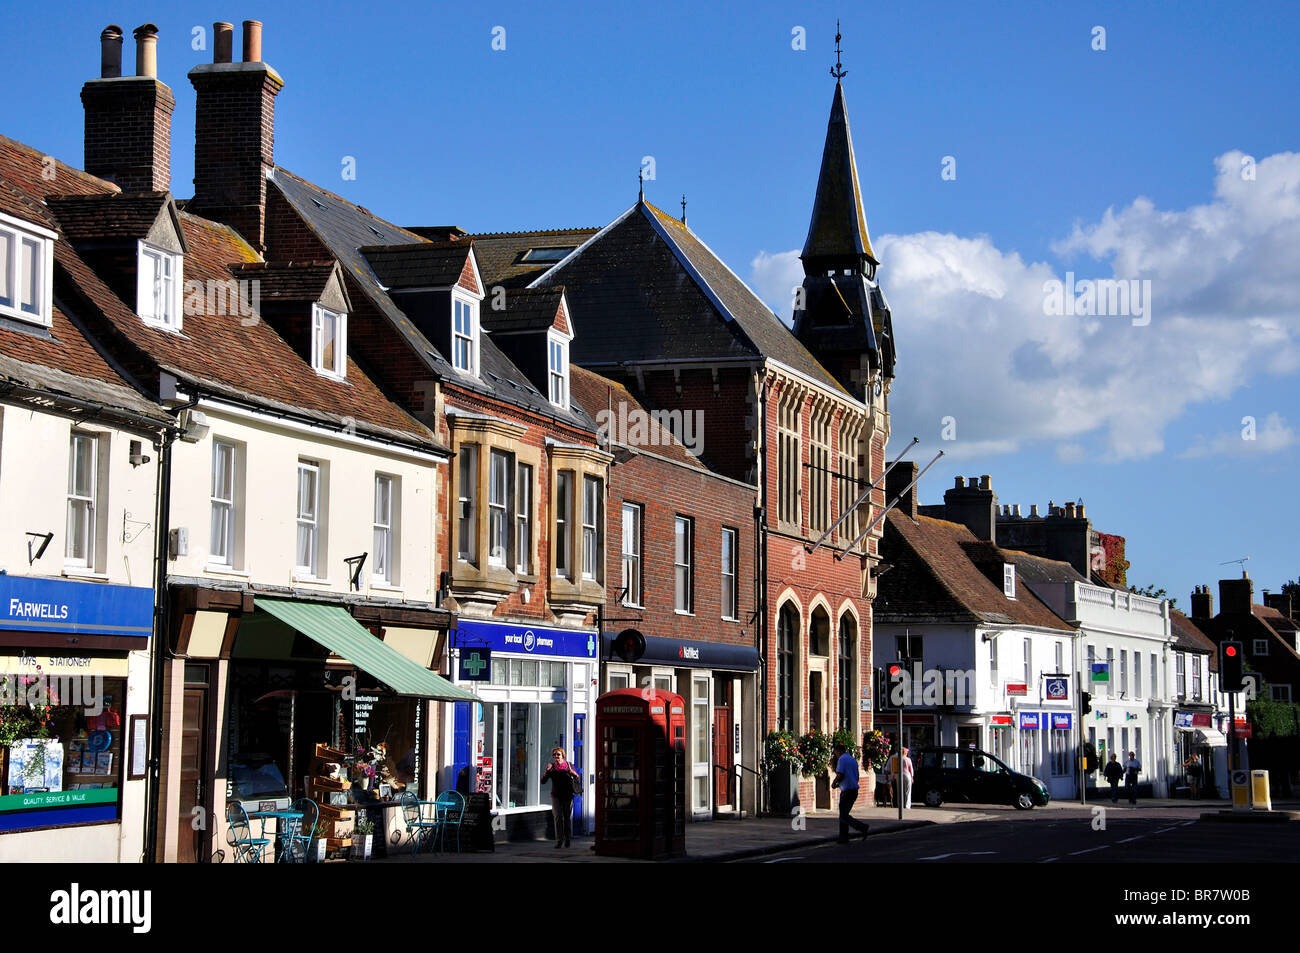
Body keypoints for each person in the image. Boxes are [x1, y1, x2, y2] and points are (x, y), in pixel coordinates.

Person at [541, 746, 580, 848]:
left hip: (568, 795)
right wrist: (547, 771)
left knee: (566, 818)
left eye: (558, 754)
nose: (556, 756)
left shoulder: (569, 765)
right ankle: (559, 840)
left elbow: (577, 777)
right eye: (554, 754)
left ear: (563, 755)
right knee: (558, 817)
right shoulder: (552, 767)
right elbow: (543, 781)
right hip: (556, 795)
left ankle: (567, 839)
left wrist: (573, 773)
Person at [831, 743, 871, 843]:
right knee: (844, 814)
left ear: (838, 751)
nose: (835, 754)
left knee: (843, 815)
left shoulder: (842, 759)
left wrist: (834, 782)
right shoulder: (852, 760)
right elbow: (856, 777)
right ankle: (843, 837)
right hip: (854, 790)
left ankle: (862, 827)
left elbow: (840, 774)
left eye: (835, 752)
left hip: (847, 790)